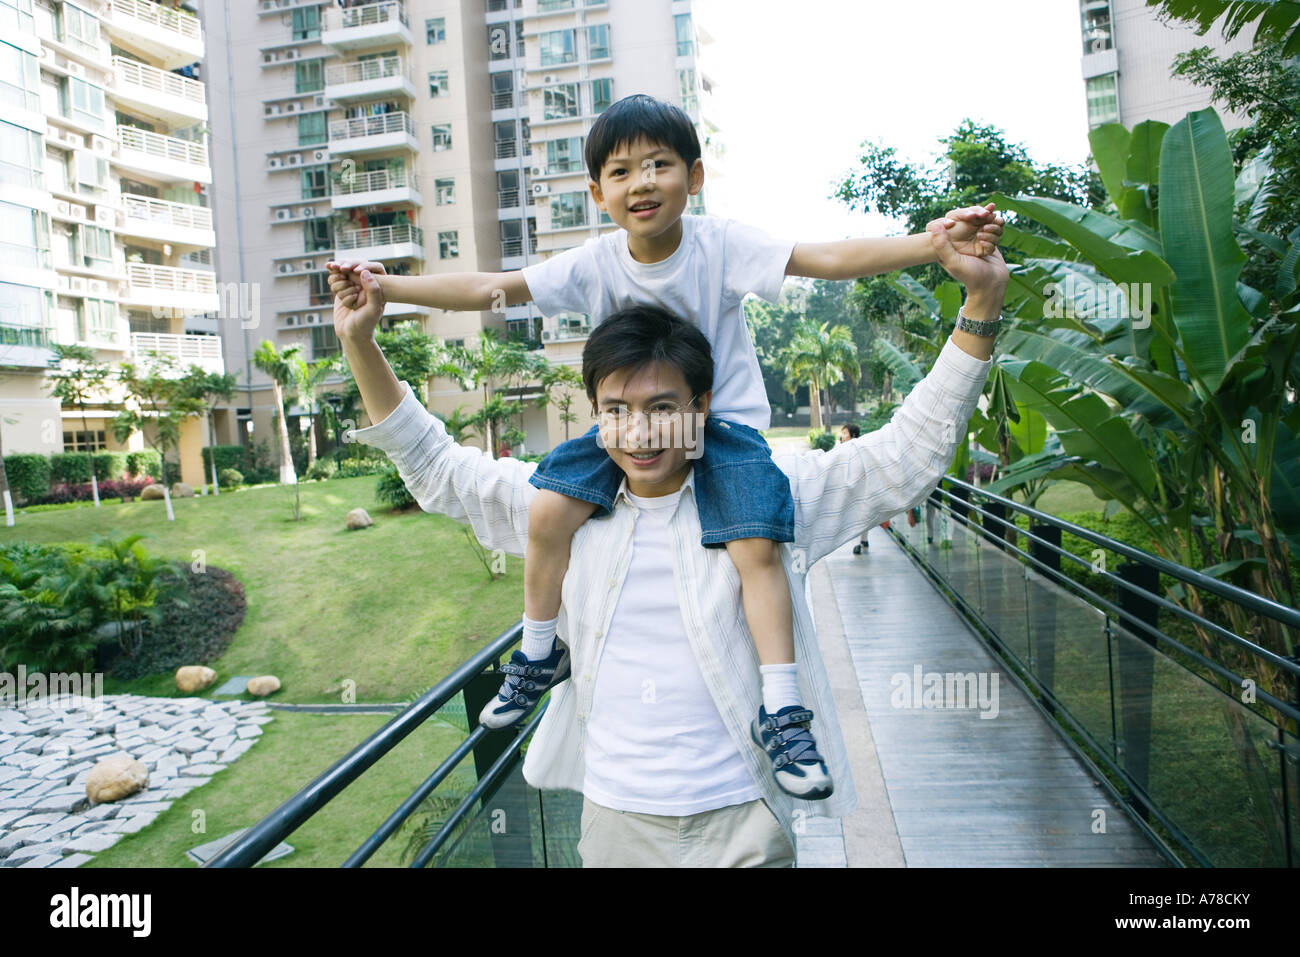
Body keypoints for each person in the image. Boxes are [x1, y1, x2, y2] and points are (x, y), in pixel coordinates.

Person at [327, 93, 1004, 802]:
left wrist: (934, 249)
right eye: (621, 171)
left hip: (726, 436)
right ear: (596, 192)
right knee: (548, 510)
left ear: (696, 176)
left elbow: (827, 259)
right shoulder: (593, 265)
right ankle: (537, 650)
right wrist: (384, 290)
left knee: (754, 544)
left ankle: (782, 708)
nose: (642, 181)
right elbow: (491, 290)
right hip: (618, 809)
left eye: (659, 164)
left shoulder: (722, 246)